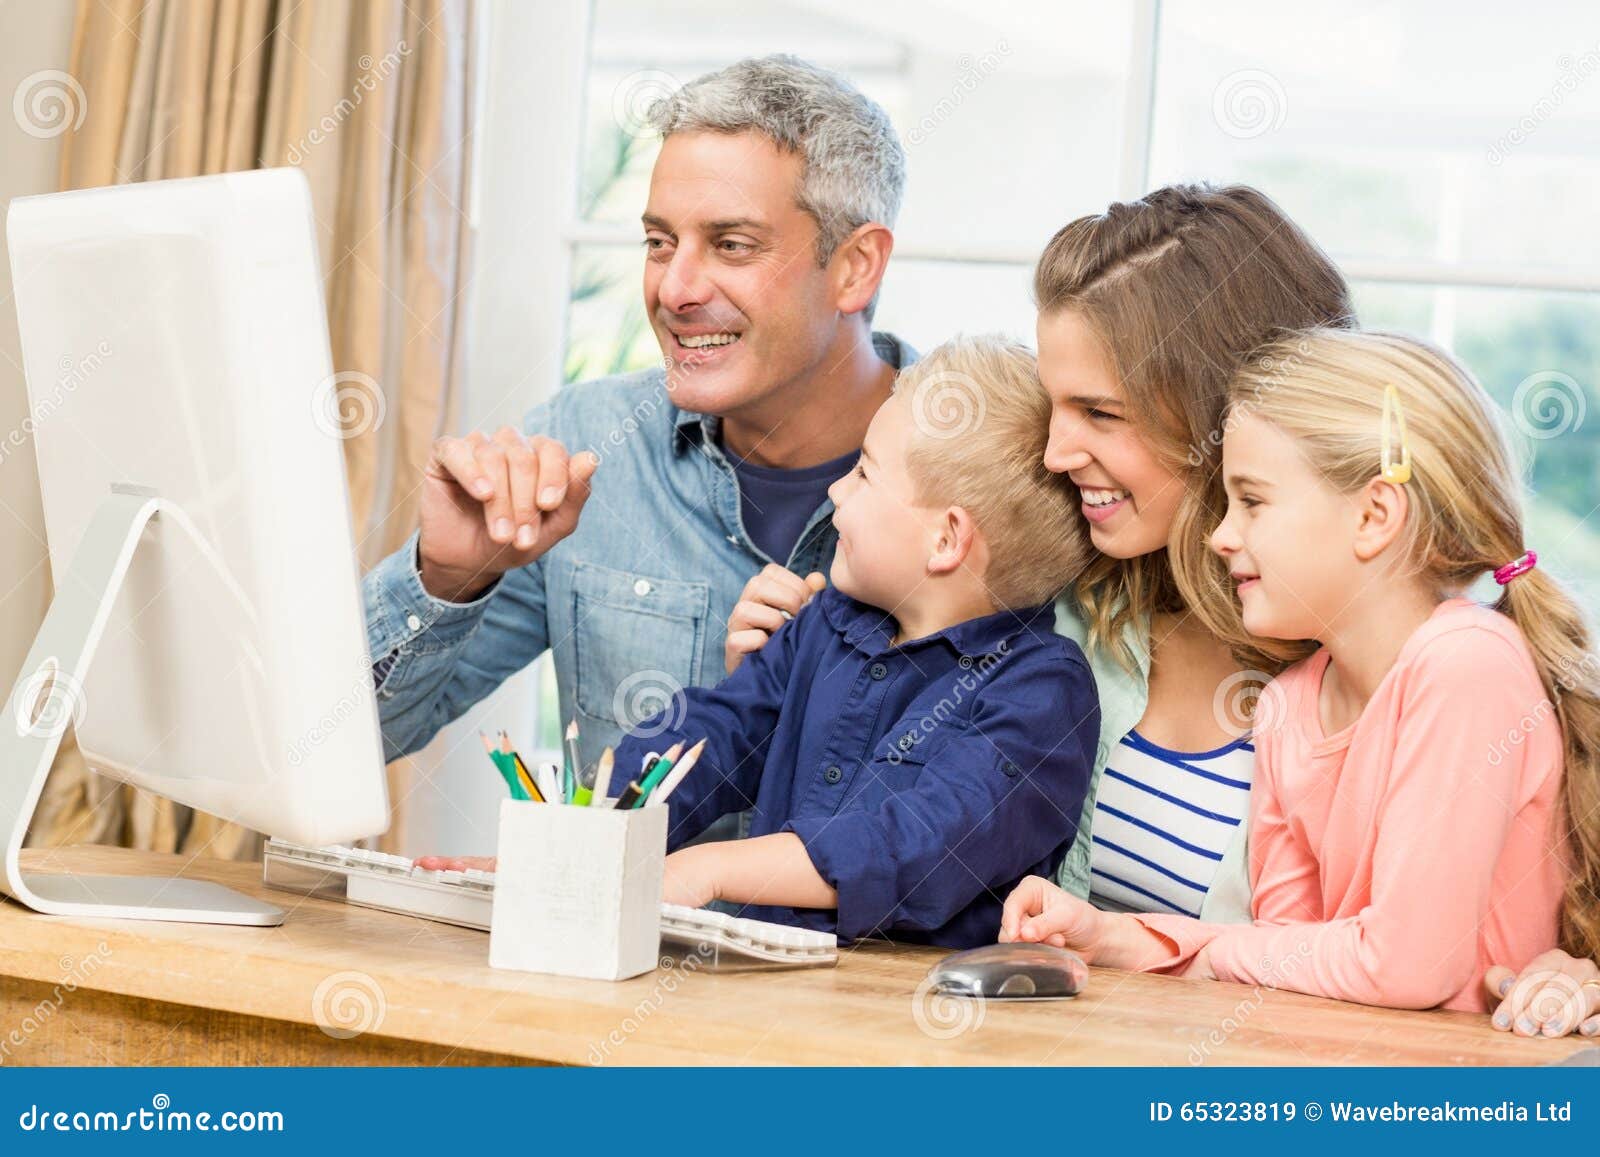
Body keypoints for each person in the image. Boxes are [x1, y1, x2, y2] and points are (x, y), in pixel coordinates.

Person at [1001, 329, 1600, 1014]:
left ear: (1375, 515)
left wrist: (1149, 942)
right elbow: (1285, 957)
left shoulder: (1466, 666)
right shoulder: (1286, 704)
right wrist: (1112, 936)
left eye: (1252, 501)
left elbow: (1408, 966)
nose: (1222, 534)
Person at [362, 56, 913, 795]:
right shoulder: (585, 445)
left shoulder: (993, 469)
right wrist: (447, 576)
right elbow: (344, 738)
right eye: (660, 242)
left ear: (855, 266)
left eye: (732, 245)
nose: (675, 289)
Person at [624, 336, 1098, 947]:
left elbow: (920, 843)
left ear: (946, 539)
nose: (836, 491)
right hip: (756, 1002)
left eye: (864, 472)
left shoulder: (1042, 694)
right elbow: (716, 732)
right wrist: (591, 825)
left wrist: (708, 868)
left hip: (911, 1027)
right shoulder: (825, 622)